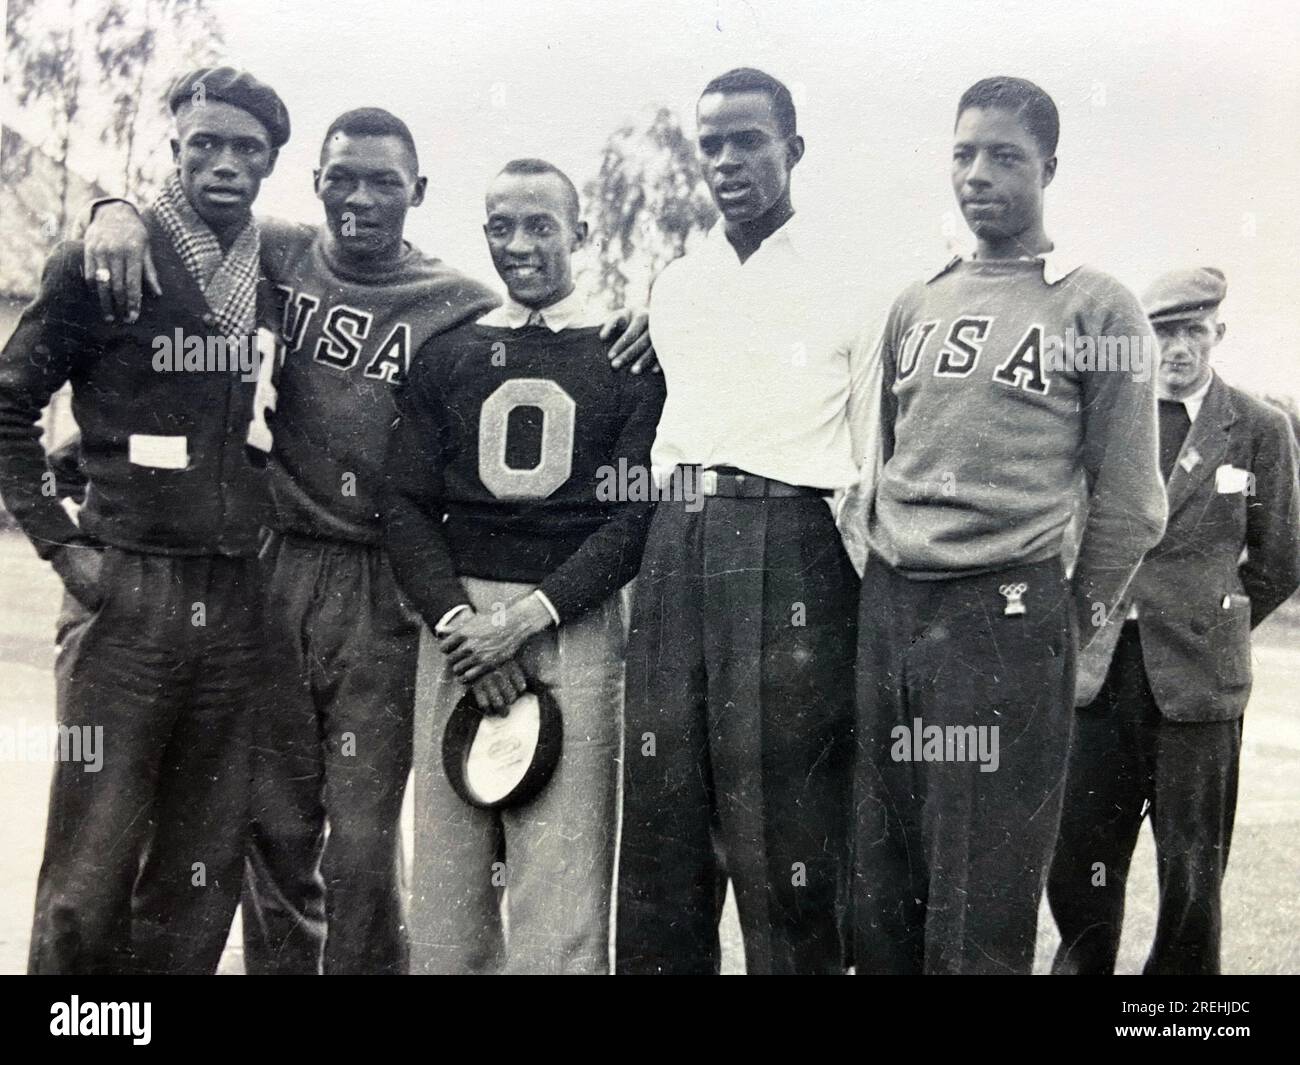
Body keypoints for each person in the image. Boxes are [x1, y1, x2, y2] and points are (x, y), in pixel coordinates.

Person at [83, 113, 656, 975]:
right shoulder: (282, 250)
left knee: (368, 840)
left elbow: (558, 344)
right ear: (314, 180)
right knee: (271, 824)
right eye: (341, 176)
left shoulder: (455, 302)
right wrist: (111, 205)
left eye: (383, 181)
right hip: (280, 561)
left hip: (384, 582)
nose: (359, 198)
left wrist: (651, 318)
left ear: (417, 194)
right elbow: (187, 215)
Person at [848, 76, 1167, 974]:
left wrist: (1070, 620)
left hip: (1005, 615)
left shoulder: (1095, 305)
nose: (977, 174)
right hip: (893, 608)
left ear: (1049, 168)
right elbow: (883, 460)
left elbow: (1134, 501)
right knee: (879, 886)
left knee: (979, 902)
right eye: (962, 153)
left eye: (1004, 156)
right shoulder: (917, 300)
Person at [0, 66, 289, 974]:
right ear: (175, 148)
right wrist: (66, 547)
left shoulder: (280, 267)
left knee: (199, 868)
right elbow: (8, 403)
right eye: (206, 143)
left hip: (237, 596)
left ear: (272, 161)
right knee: (91, 863)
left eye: (248, 148)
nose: (225, 164)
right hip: (127, 585)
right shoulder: (108, 256)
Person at [615, 68, 880, 975]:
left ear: (793, 150)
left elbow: (870, 458)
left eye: (749, 140)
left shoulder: (853, 282)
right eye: (712, 143)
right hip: (674, 548)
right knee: (661, 828)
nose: (728, 160)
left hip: (792, 551)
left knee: (788, 843)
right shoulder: (677, 284)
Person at [384, 158, 665, 973]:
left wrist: (527, 618)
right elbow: (403, 505)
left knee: (561, 879)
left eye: (541, 225)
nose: (521, 245)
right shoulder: (447, 356)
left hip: (569, 620)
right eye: (501, 227)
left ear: (581, 232)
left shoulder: (629, 358)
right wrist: (459, 620)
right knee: (447, 877)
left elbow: (632, 515)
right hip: (460, 625)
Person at [1048, 267, 1300, 975]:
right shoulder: (1098, 421)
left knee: (1192, 872)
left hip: (1197, 685)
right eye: (1163, 332)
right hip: (1098, 676)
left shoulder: (1257, 428)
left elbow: (1281, 557)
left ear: (1218, 333)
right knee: (1079, 860)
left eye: (1193, 330)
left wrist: (1211, 620)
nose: (1178, 348)